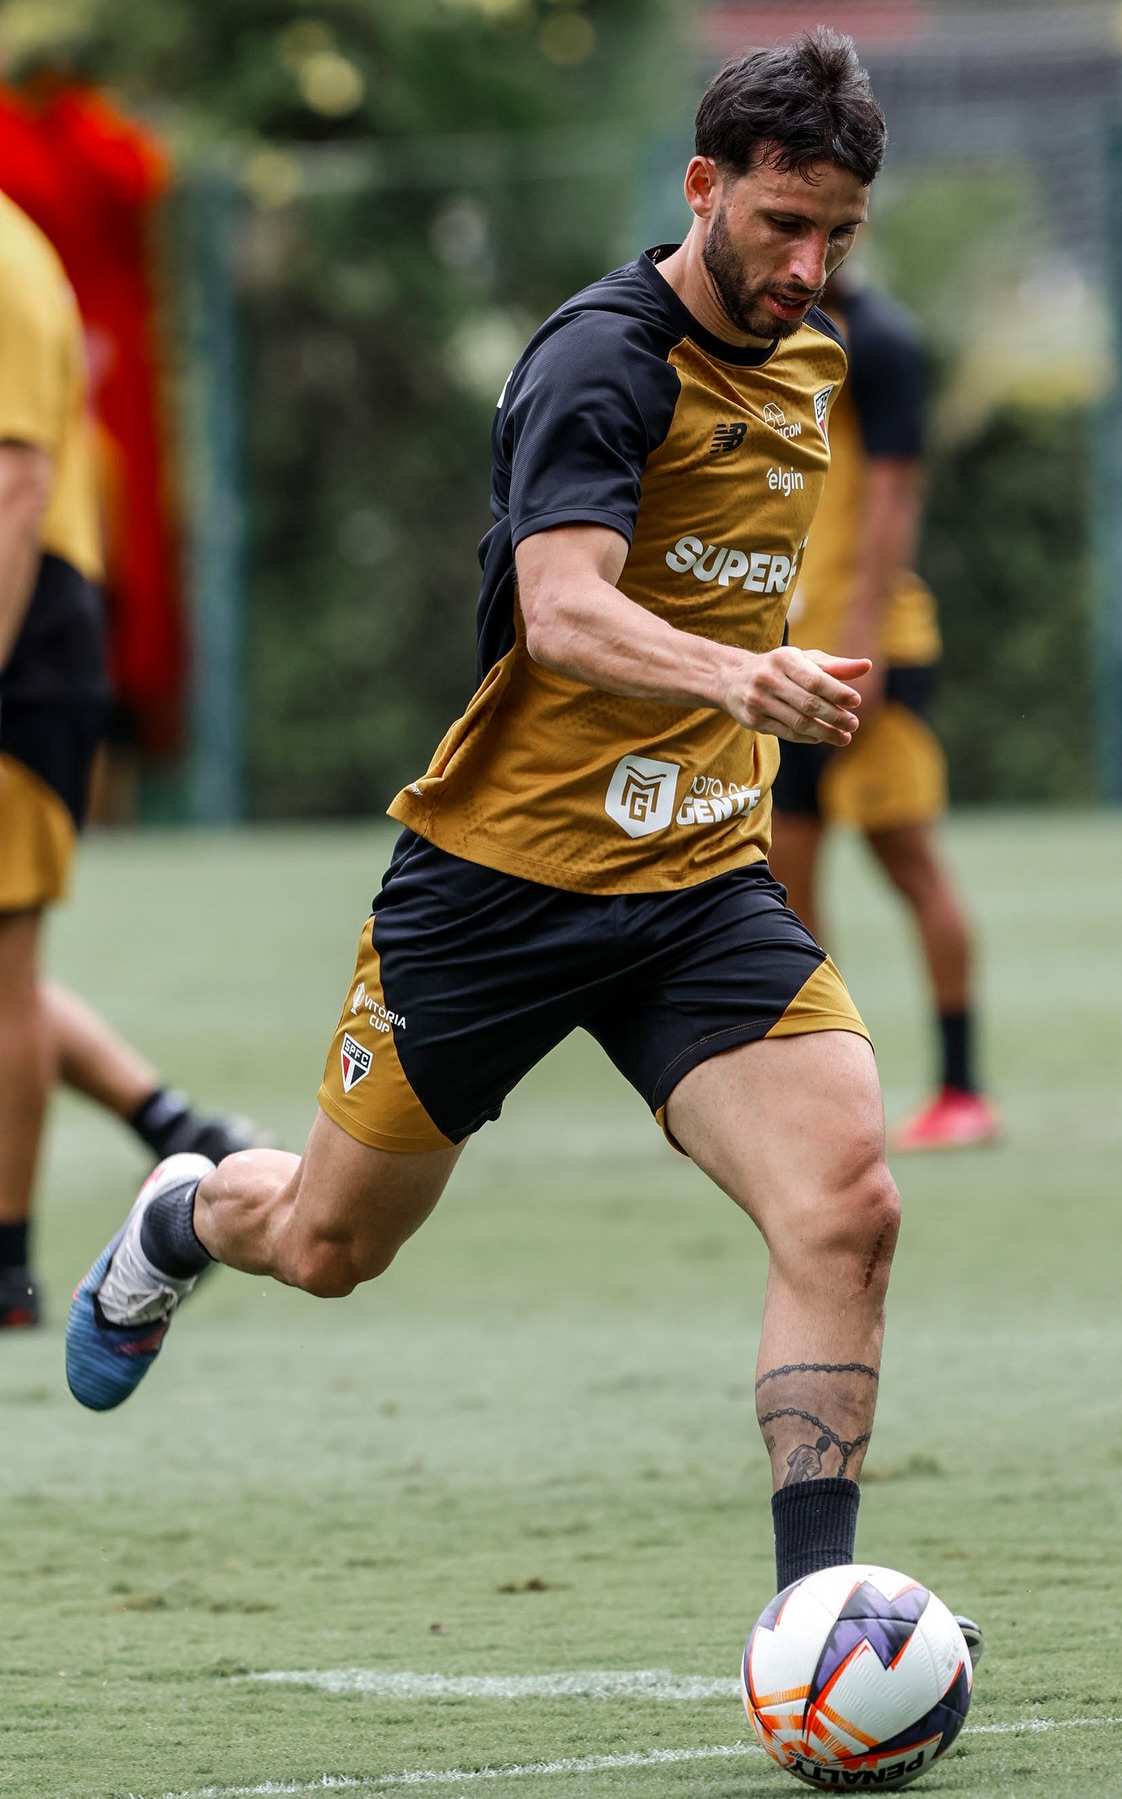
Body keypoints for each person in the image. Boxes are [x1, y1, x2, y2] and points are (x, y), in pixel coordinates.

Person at [64, 32, 962, 1613]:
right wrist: (742, 682)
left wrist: (748, 697)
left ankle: (812, 1614)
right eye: (780, 227)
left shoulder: (817, 354)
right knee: (333, 1244)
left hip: (693, 880)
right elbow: (561, 612)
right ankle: (188, 1207)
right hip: (499, 885)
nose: (810, 266)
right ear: (703, 189)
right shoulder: (599, 359)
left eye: (840, 235)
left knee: (849, 1199)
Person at [0, 192, 252, 1330]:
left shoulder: (4, 255)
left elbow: (13, 487)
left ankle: (4, 1266)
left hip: (21, 640)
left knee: (3, 966)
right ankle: (171, 1125)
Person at [769, 274, 1000, 1151]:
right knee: (783, 877)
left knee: (909, 860)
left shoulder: (883, 342)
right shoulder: (782, 338)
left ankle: (962, 1088)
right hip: (788, 654)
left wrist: (862, 636)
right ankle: (815, 1092)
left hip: (869, 652)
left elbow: (897, 498)